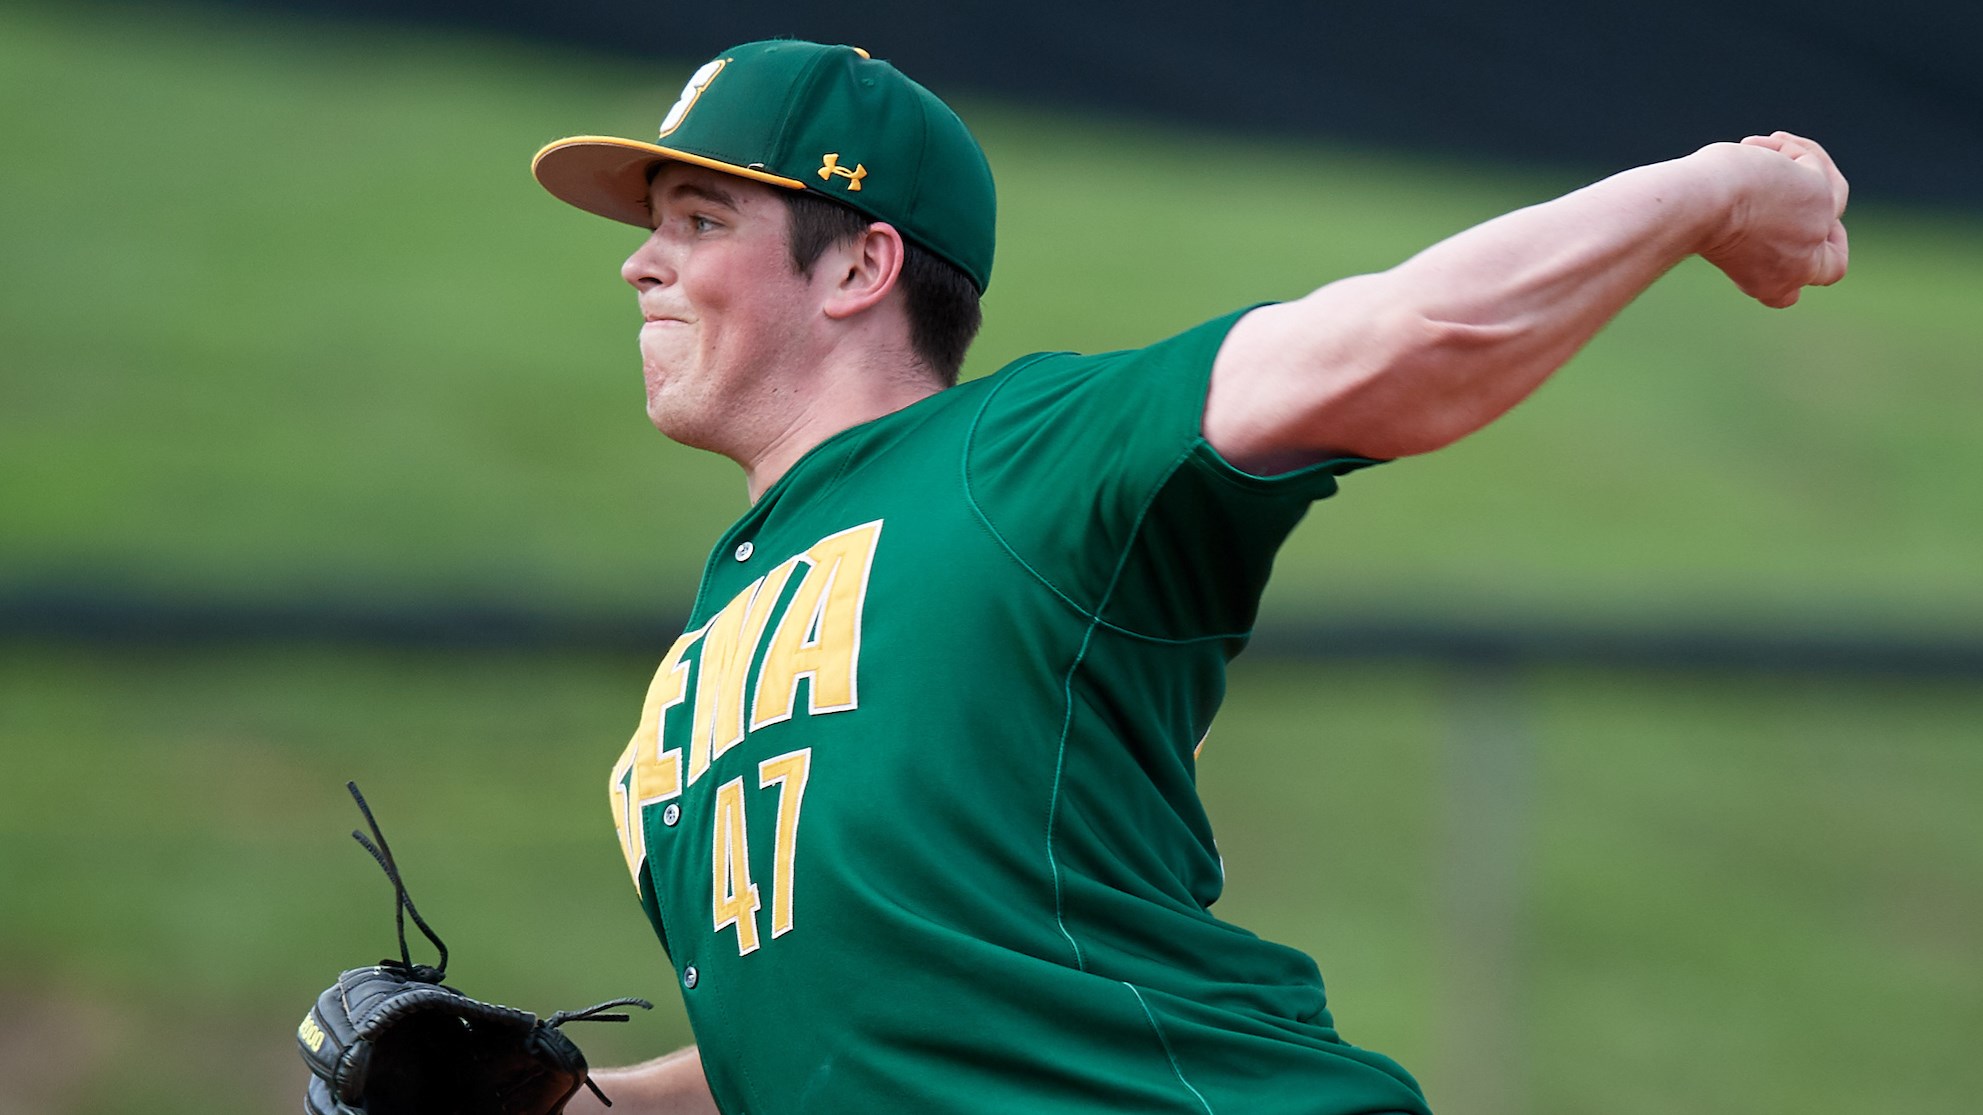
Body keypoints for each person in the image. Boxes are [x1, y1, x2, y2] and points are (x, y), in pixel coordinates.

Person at [529, 39, 1848, 1115]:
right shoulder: (696, 674)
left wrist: (1714, 189)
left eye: (701, 219)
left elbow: (1419, 333)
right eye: (658, 225)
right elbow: (849, 1038)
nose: (643, 261)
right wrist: (572, 1101)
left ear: (863, 266)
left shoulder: (1014, 457)